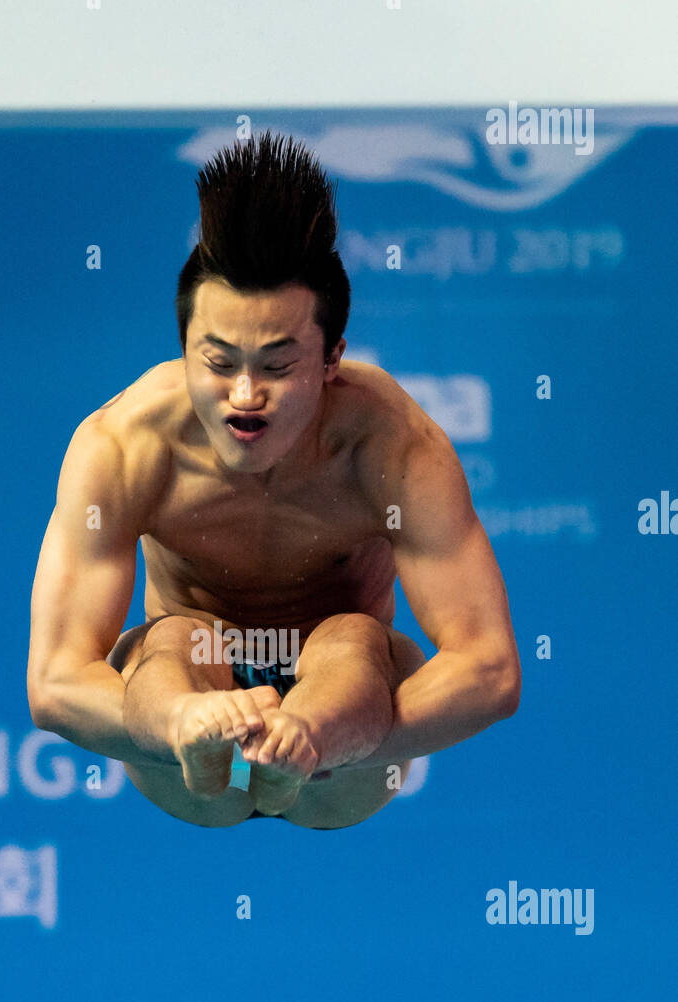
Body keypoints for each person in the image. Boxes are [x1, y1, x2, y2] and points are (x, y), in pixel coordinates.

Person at [27, 131, 521, 829]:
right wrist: (176, 724)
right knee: (170, 642)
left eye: (278, 366)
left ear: (332, 359)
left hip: (338, 752)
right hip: (188, 737)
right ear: (185, 351)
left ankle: (301, 740)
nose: (245, 394)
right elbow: (54, 684)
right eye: (219, 362)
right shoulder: (124, 444)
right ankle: (200, 731)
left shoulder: (391, 443)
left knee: (351, 639)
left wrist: (336, 741)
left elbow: (490, 670)